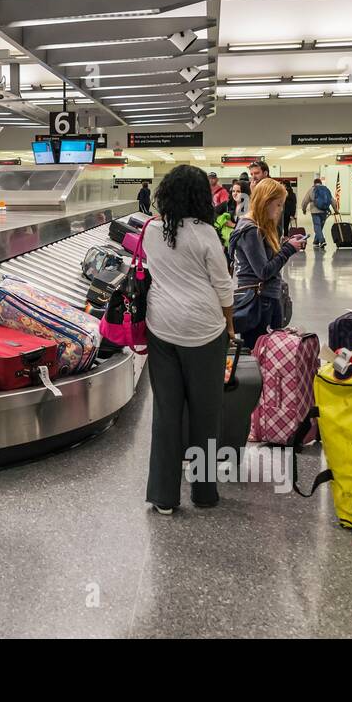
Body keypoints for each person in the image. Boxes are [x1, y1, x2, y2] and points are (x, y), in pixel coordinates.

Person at [142, 165, 235, 515]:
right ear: (201, 196)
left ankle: (163, 497)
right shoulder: (205, 232)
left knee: (166, 413)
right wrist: (229, 325)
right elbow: (223, 285)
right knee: (205, 413)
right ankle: (204, 492)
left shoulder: (152, 230)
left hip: (161, 327)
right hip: (204, 330)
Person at [229, 179, 306, 350]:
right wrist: (288, 250)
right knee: (259, 352)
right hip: (257, 301)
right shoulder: (250, 230)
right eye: (278, 205)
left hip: (267, 297)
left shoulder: (261, 226)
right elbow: (263, 271)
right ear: (266, 201)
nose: (280, 210)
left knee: (270, 351)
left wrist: (286, 245)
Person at [305, 177, 338, 249]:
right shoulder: (326, 189)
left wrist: (304, 209)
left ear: (314, 183)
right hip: (324, 211)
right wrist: (336, 210)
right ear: (321, 183)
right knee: (320, 227)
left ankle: (322, 240)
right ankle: (316, 241)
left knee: (317, 226)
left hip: (315, 211)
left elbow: (305, 200)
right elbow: (332, 200)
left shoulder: (312, 189)